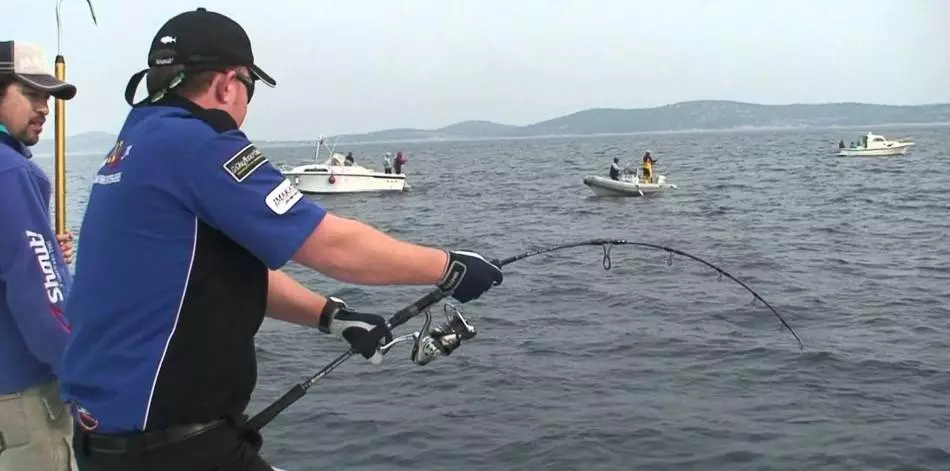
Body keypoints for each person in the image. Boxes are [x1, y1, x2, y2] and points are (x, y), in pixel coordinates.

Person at [58, 8, 503, 471]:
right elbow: (331, 245)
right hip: (173, 449)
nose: (245, 107)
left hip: (111, 440)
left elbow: (209, 274)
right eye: (249, 90)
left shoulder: (133, 145)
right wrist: (449, 265)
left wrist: (331, 316)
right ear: (228, 83)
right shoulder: (197, 143)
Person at [0, 40, 78, 471]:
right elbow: (41, 296)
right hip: (23, 395)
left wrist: (43, 245)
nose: (45, 106)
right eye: (30, 93)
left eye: (47, 96)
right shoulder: (13, 173)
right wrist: (84, 370)